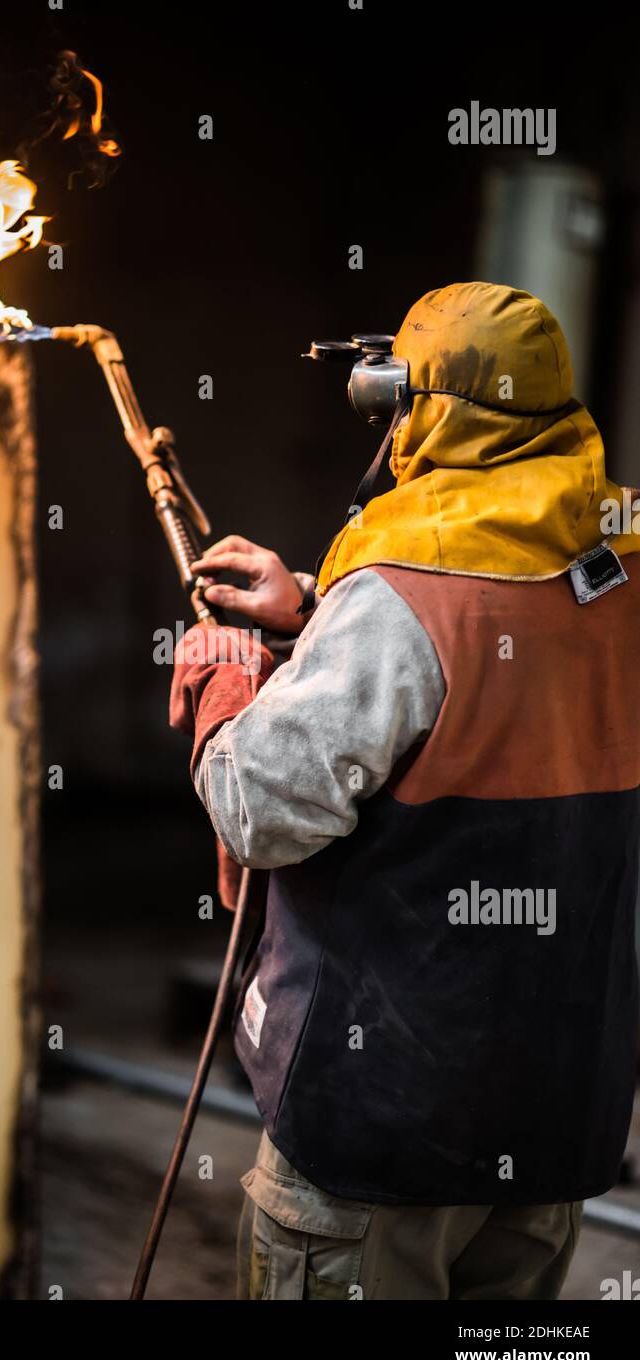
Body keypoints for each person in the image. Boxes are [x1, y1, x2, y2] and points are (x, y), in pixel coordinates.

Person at [169, 281, 640, 1301]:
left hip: (381, 1131)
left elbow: (260, 807)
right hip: (553, 1126)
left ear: (417, 410)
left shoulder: (397, 595)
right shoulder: (617, 559)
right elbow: (500, 677)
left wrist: (227, 680)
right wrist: (315, 617)